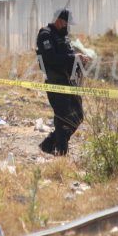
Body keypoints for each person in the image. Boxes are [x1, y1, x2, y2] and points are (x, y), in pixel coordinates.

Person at [36, 9, 90, 155]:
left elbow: (68, 54)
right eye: (67, 23)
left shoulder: (63, 36)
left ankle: (49, 143)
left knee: (78, 116)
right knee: (62, 116)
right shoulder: (45, 35)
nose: (68, 26)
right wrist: (72, 58)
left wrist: (79, 58)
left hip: (69, 80)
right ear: (59, 20)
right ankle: (61, 153)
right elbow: (51, 58)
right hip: (56, 81)